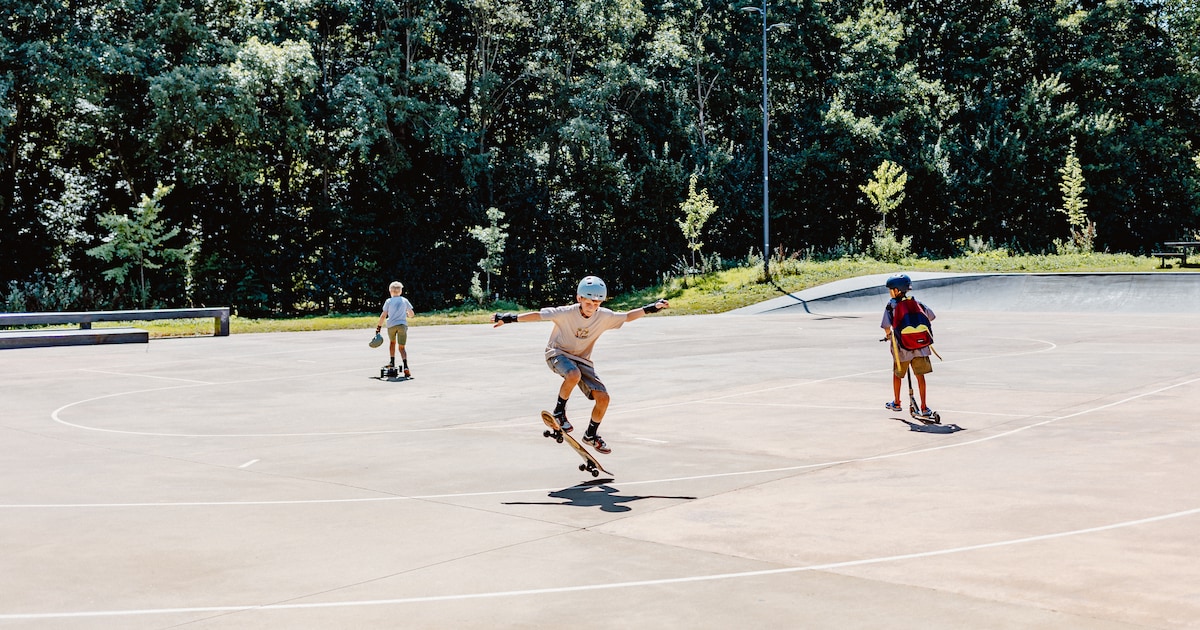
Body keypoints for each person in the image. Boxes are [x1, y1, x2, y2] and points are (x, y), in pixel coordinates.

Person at [492, 276, 669, 454]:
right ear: (579, 298)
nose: (592, 307)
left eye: (596, 303)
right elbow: (538, 315)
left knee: (603, 398)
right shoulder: (565, 313)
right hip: (557, 353)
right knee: (573, 374)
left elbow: (628, 316)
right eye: (588, 303)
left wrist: (652, 307)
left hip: (582, 360)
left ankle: (591, 435)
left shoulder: (604, 316)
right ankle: (559, 412)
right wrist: (508, 318)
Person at [881, 273, 936, 418]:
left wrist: (888, 335)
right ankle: (924, 407)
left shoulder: (891, 305)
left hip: (902, 348)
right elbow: (931, 316)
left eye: (891, 289)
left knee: (898, 375)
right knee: (920, 376)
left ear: (896, 290)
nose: (890, 292)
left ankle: (897, 403)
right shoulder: (916, 302)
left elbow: (886, 326)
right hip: (920, 347)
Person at [375, 281, 416, 377]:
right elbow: (411, 314)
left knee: (392, 343)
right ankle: (405, 366)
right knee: (402, 347)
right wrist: (407, 314)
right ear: (401, 291)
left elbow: (383, 315)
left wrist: (379, 327)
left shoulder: (388, 301)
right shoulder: (404, 300)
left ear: (390, 291)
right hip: (402, 325)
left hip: (391, 325)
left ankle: (392, 361)